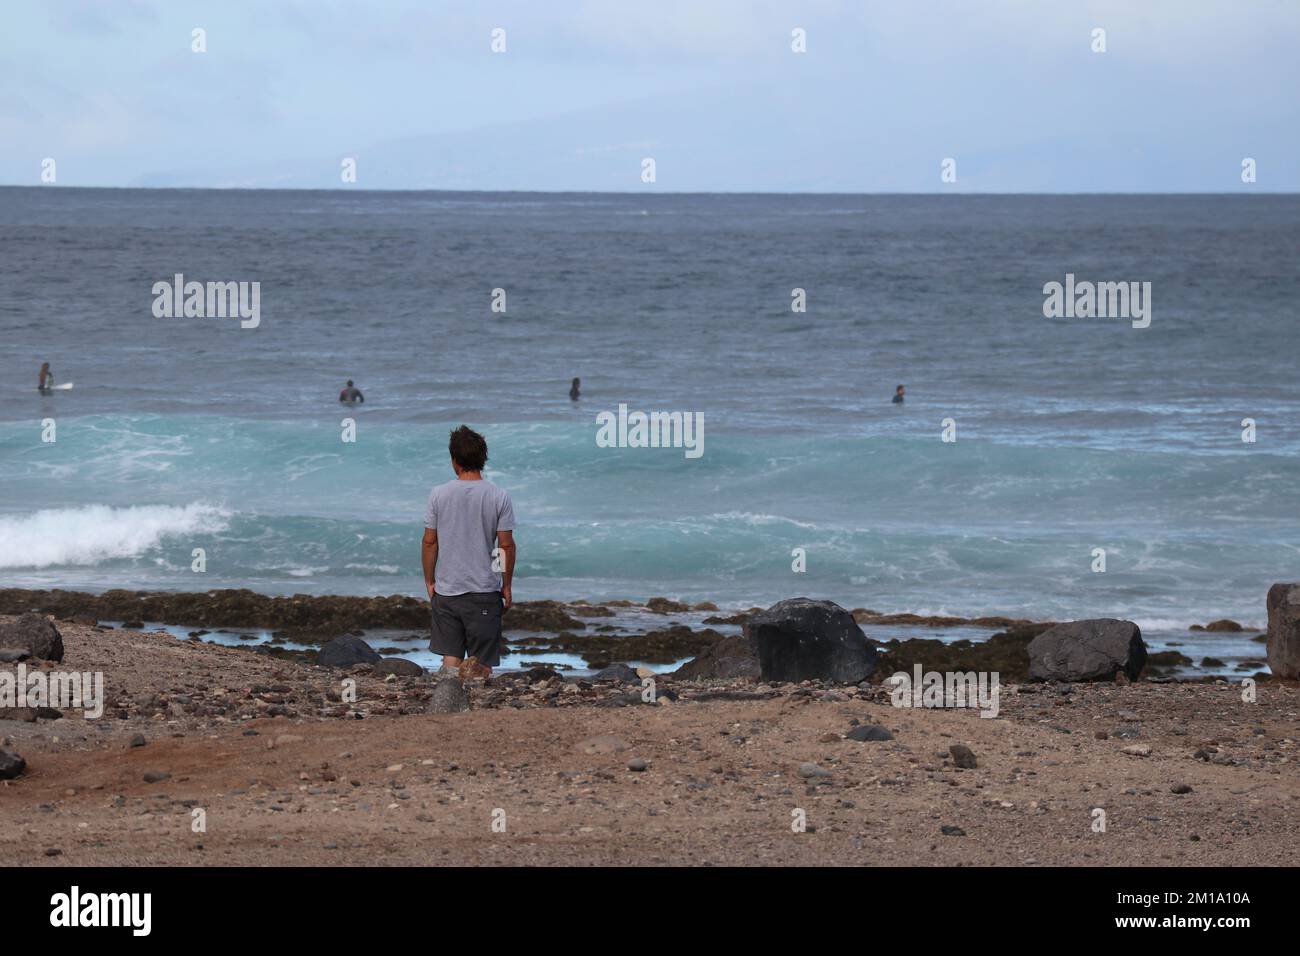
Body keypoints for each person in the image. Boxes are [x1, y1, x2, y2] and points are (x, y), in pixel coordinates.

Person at [421, 425, 516, 682]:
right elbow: (504, 546)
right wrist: (505, 585)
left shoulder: (438, 494)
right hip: (484, 591)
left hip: (448, 590)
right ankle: (476, 714)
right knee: (481, 665)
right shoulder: (499, 496)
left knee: (450, 660)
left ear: (454, 460)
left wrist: (430, 581)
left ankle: (450, 703)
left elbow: (430, 542)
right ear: (482, 459)